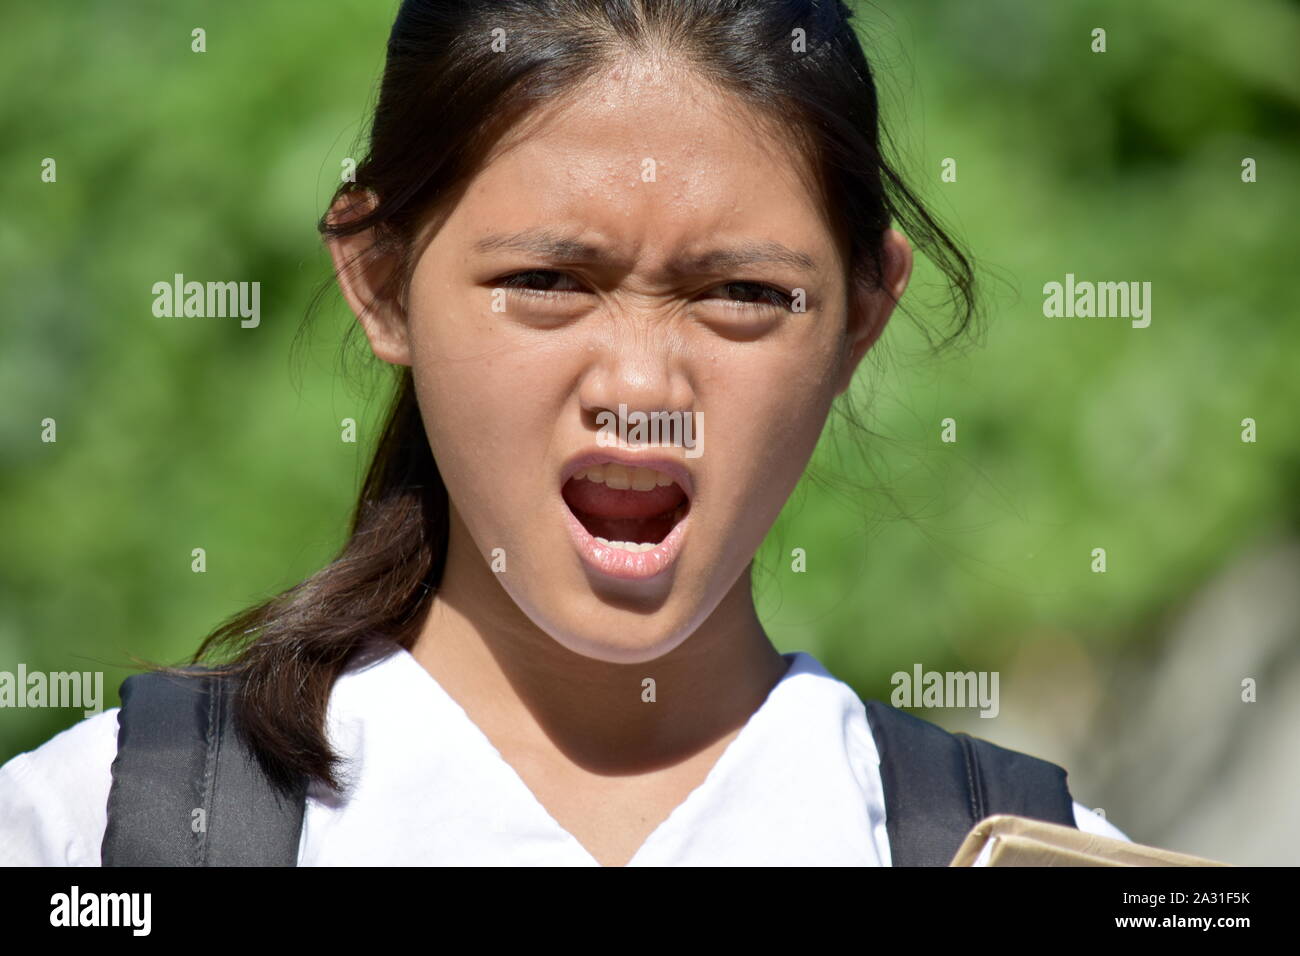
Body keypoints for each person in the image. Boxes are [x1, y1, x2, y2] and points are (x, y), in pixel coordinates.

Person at [0, 0, 1130, 866]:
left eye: (740, 293)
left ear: (861, 316)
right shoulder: (94, 835)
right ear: (382, 281)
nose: (639, 385)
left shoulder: (1040, 855)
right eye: (546, 281)